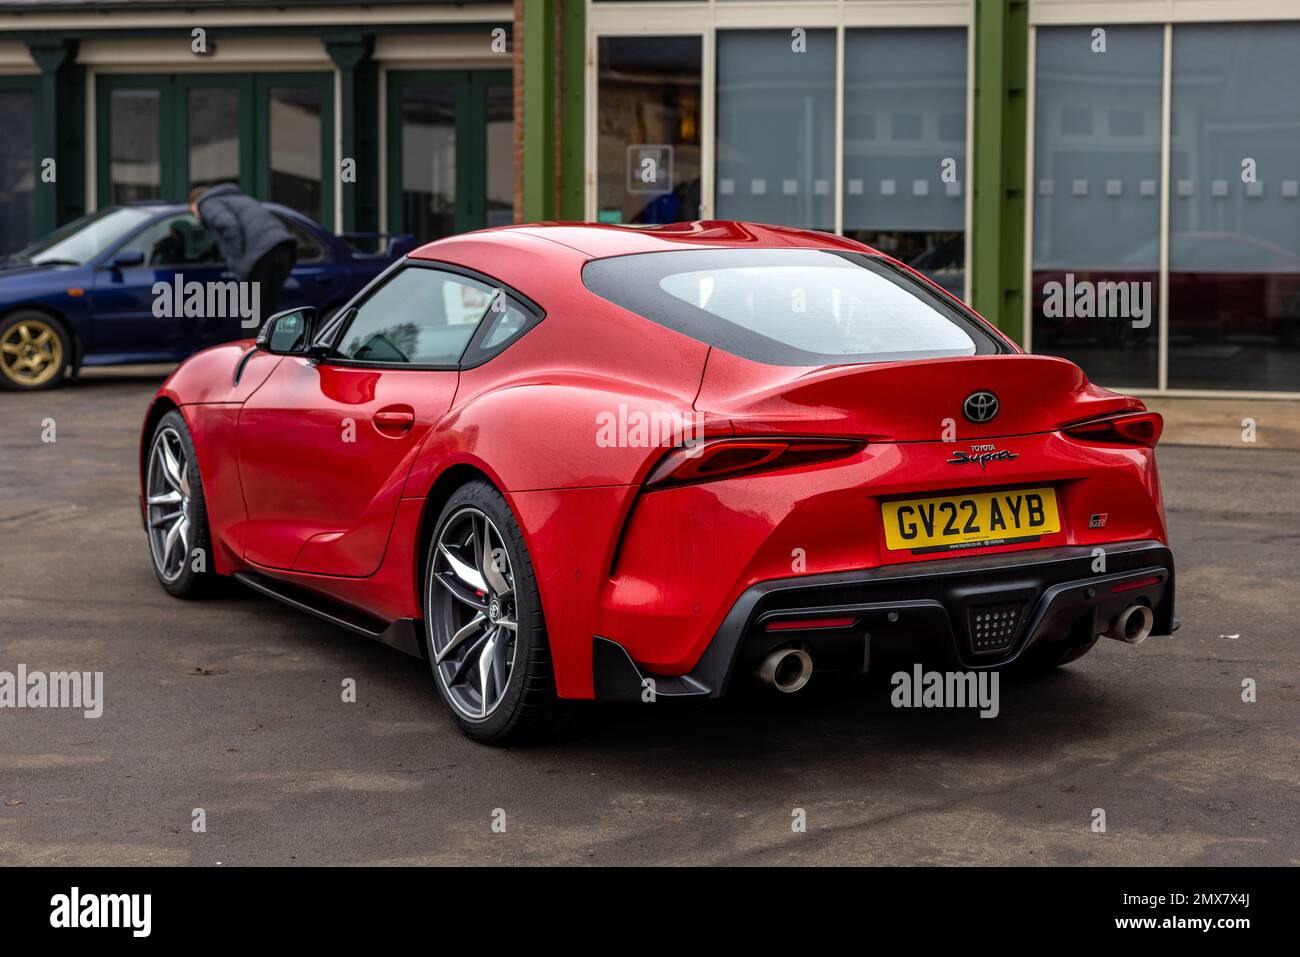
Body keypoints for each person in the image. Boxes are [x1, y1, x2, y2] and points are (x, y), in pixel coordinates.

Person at [188, 183, 297, 320]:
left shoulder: (207, 203)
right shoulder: (238, 199)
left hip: (261, 255)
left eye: (193, 212)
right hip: (284, 248)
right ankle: (266, 341)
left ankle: (250, 342)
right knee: (267, 313)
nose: (197, 217)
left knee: (251, 315)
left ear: (197, 201)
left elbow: (228, 225)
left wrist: (238, 262)